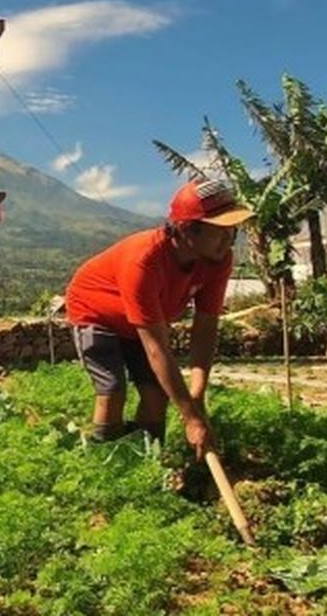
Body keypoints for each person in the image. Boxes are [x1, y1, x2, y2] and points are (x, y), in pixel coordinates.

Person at [65, 179, 252, 458]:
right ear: (188, 230)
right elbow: (156, 349)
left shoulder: (218, 260)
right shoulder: (145, 260)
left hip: (143, 323)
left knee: (156, 394)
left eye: (233, 231)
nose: (229, 240)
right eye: (220, 231)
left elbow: (205, 328)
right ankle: (103, 463)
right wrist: (190, 417)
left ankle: (148, 462)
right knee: (113, 390)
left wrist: (196, 397)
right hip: (96, 313)